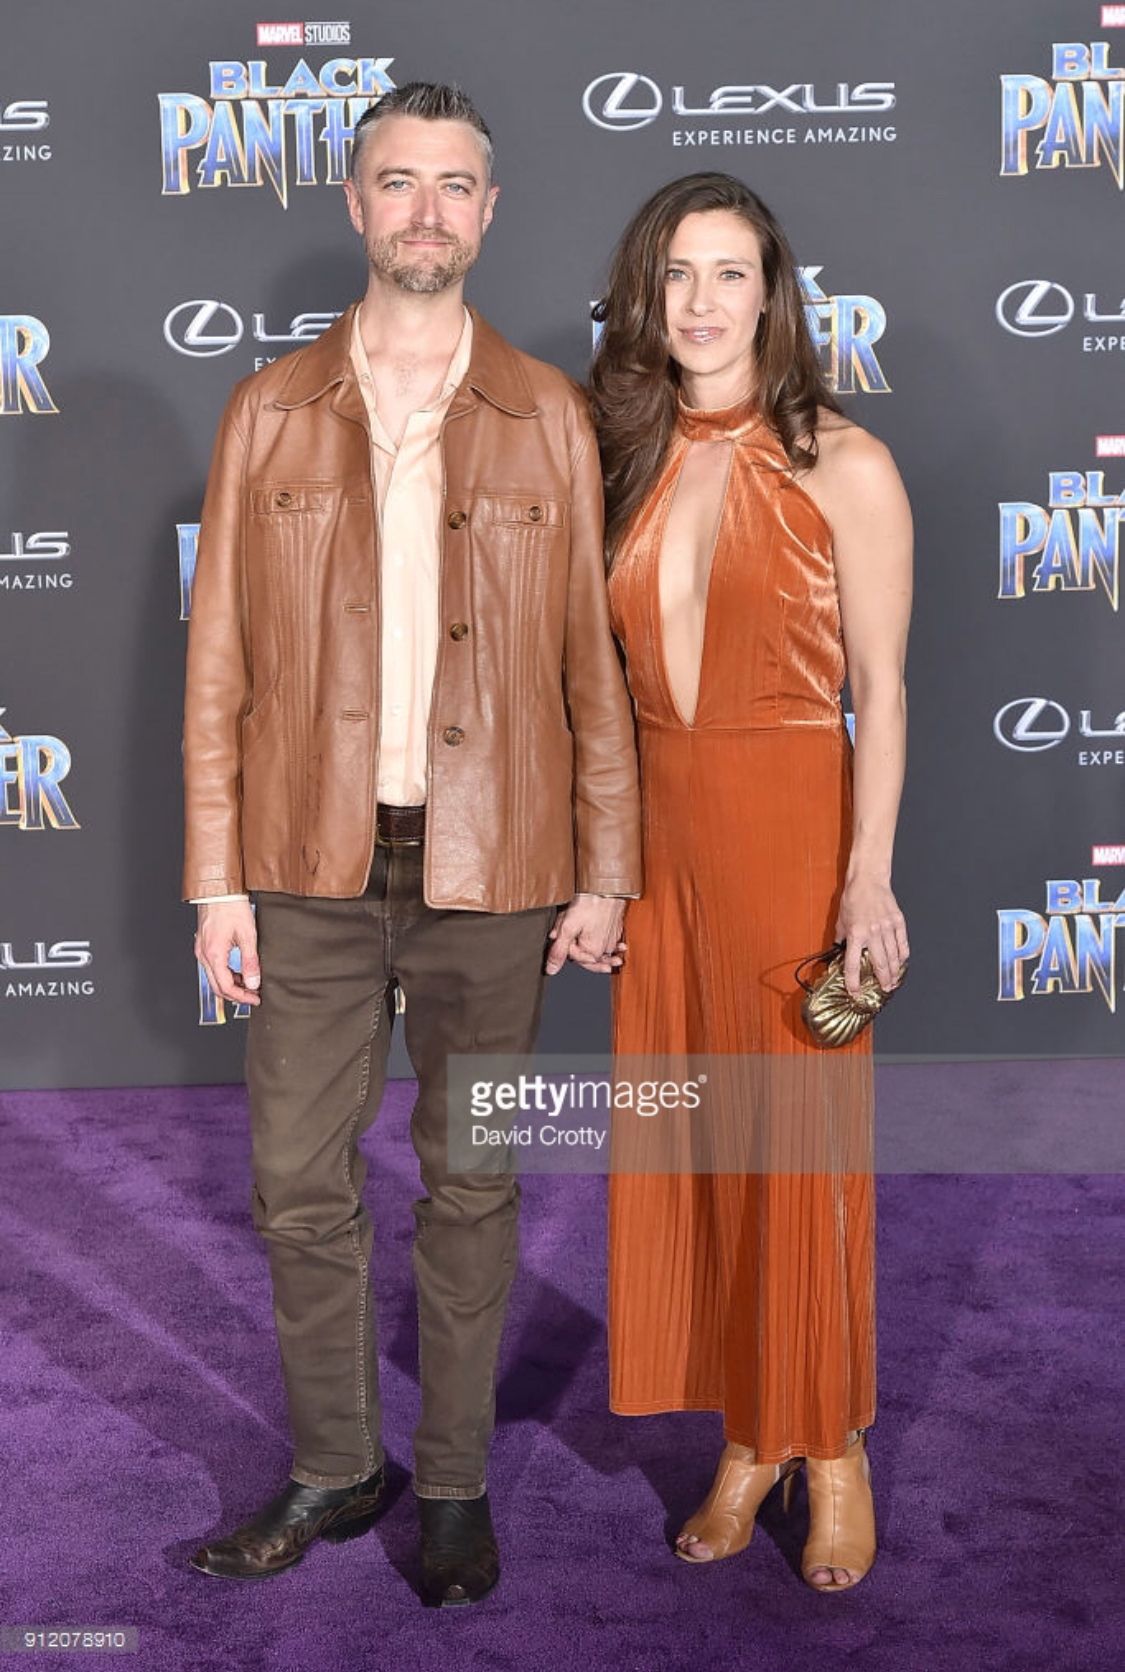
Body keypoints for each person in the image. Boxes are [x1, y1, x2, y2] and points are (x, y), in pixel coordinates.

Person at [183, 82, 640, 1607]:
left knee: (473, 1181)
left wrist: (605, 867)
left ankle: (448, 1481)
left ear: (490, 212)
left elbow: (590, 663)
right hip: (304, 873)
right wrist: (211, 881)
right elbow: (219, 671)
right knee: (297, 1184)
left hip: (496, 878)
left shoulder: (547, 415)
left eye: (455, 184)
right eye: (399, 181)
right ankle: (334, 1464)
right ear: (354, 203)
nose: (426, 209)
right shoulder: (268, 410)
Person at [590, 172, 911, 1591]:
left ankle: (827, 1444)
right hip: (662, 852)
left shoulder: (845, 460)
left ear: (773, 295)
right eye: (676, 276)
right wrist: (597, 875)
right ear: (644, 299)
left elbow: (883, 695)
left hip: (791, 832)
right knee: (695, 1151)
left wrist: (867, 884)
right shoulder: (620, 454)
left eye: (730, 274)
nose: (703, 303)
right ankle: (747, 1436)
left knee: (800, 1157)